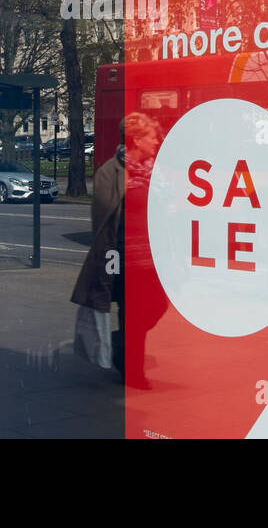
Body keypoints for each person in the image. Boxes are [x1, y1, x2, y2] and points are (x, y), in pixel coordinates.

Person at [70, 112, 162, 384]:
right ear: (136, 139)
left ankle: (120, 344)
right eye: (152, 137)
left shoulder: (156, 170)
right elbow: (103, 223)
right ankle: (133, 371)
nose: (157, 141)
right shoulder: (109, 173)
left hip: (152, 258)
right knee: (131, 312)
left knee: (157, 306)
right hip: (123, 259)